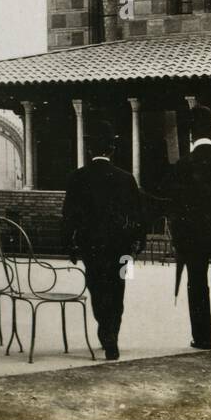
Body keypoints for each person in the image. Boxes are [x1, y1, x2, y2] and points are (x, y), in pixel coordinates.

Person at [61, 120, 146, 360]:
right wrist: (139, 242)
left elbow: (69, 216)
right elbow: (138, 215)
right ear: (112, 149)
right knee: (119, 288)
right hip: (123, 249)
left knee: (97, 288)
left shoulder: (77, 178)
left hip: (91, 246)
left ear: (89, 150)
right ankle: (112, 337)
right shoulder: (126, 178)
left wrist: (69, 245)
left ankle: (105, 330)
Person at [161, 105, 211, 353]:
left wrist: (178, 238)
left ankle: (203, 338)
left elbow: (175, 209)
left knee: (197, 285)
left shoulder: (182, 166)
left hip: (193, 239)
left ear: (190, 133)